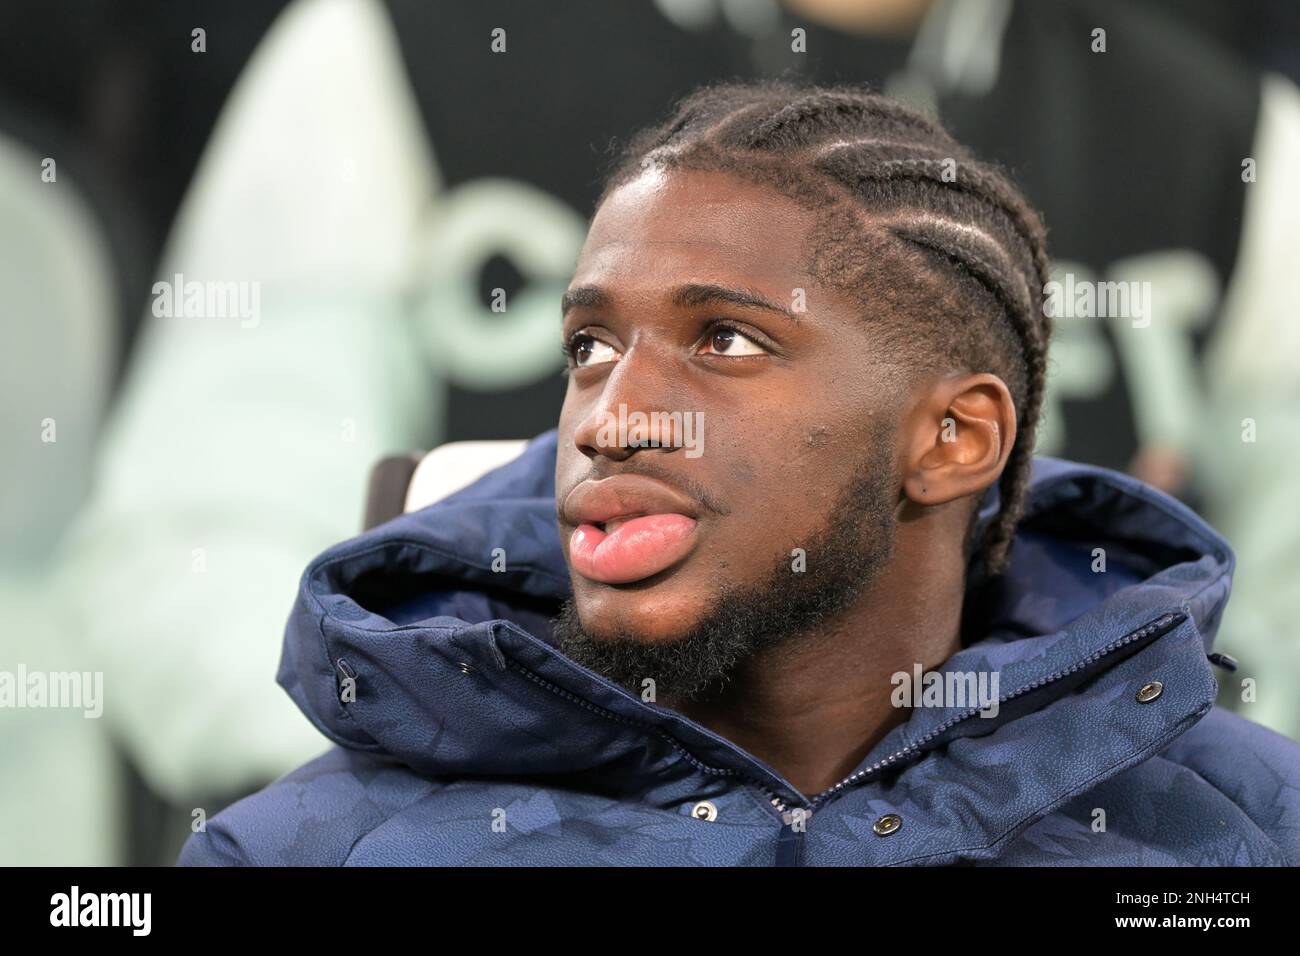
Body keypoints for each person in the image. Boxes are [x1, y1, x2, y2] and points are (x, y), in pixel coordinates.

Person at [179, 80, 1299, 866]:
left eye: (724, 340)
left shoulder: (1250, 828)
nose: (610, 420)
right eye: (588, 347)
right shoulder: (299, 851)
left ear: (953, 439)